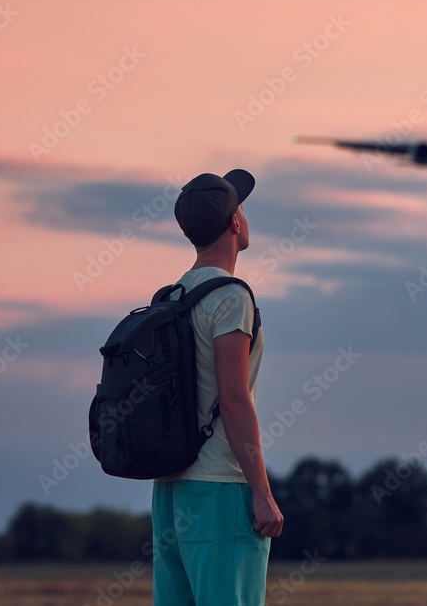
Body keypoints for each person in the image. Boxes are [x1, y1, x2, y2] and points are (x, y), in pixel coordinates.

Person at [151, 169, 283, 606]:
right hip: (220, 489)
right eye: (240, 206)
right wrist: (262, 494)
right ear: (234, 224)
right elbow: (234, 398)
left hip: (170, 489)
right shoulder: (230, 298)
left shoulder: (171, 297)